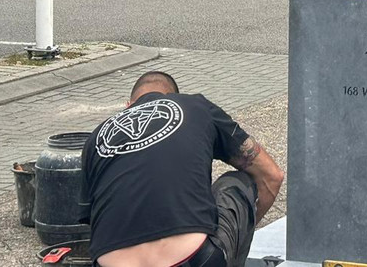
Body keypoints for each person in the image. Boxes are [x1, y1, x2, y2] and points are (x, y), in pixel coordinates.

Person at [81, 70, 285, 267]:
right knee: (238, 181)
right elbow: (271, 176)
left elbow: (92, 223)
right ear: (171, 97)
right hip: (193, 259)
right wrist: (240, 234)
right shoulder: (196, 106)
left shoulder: (96, 138)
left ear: (128, 106)